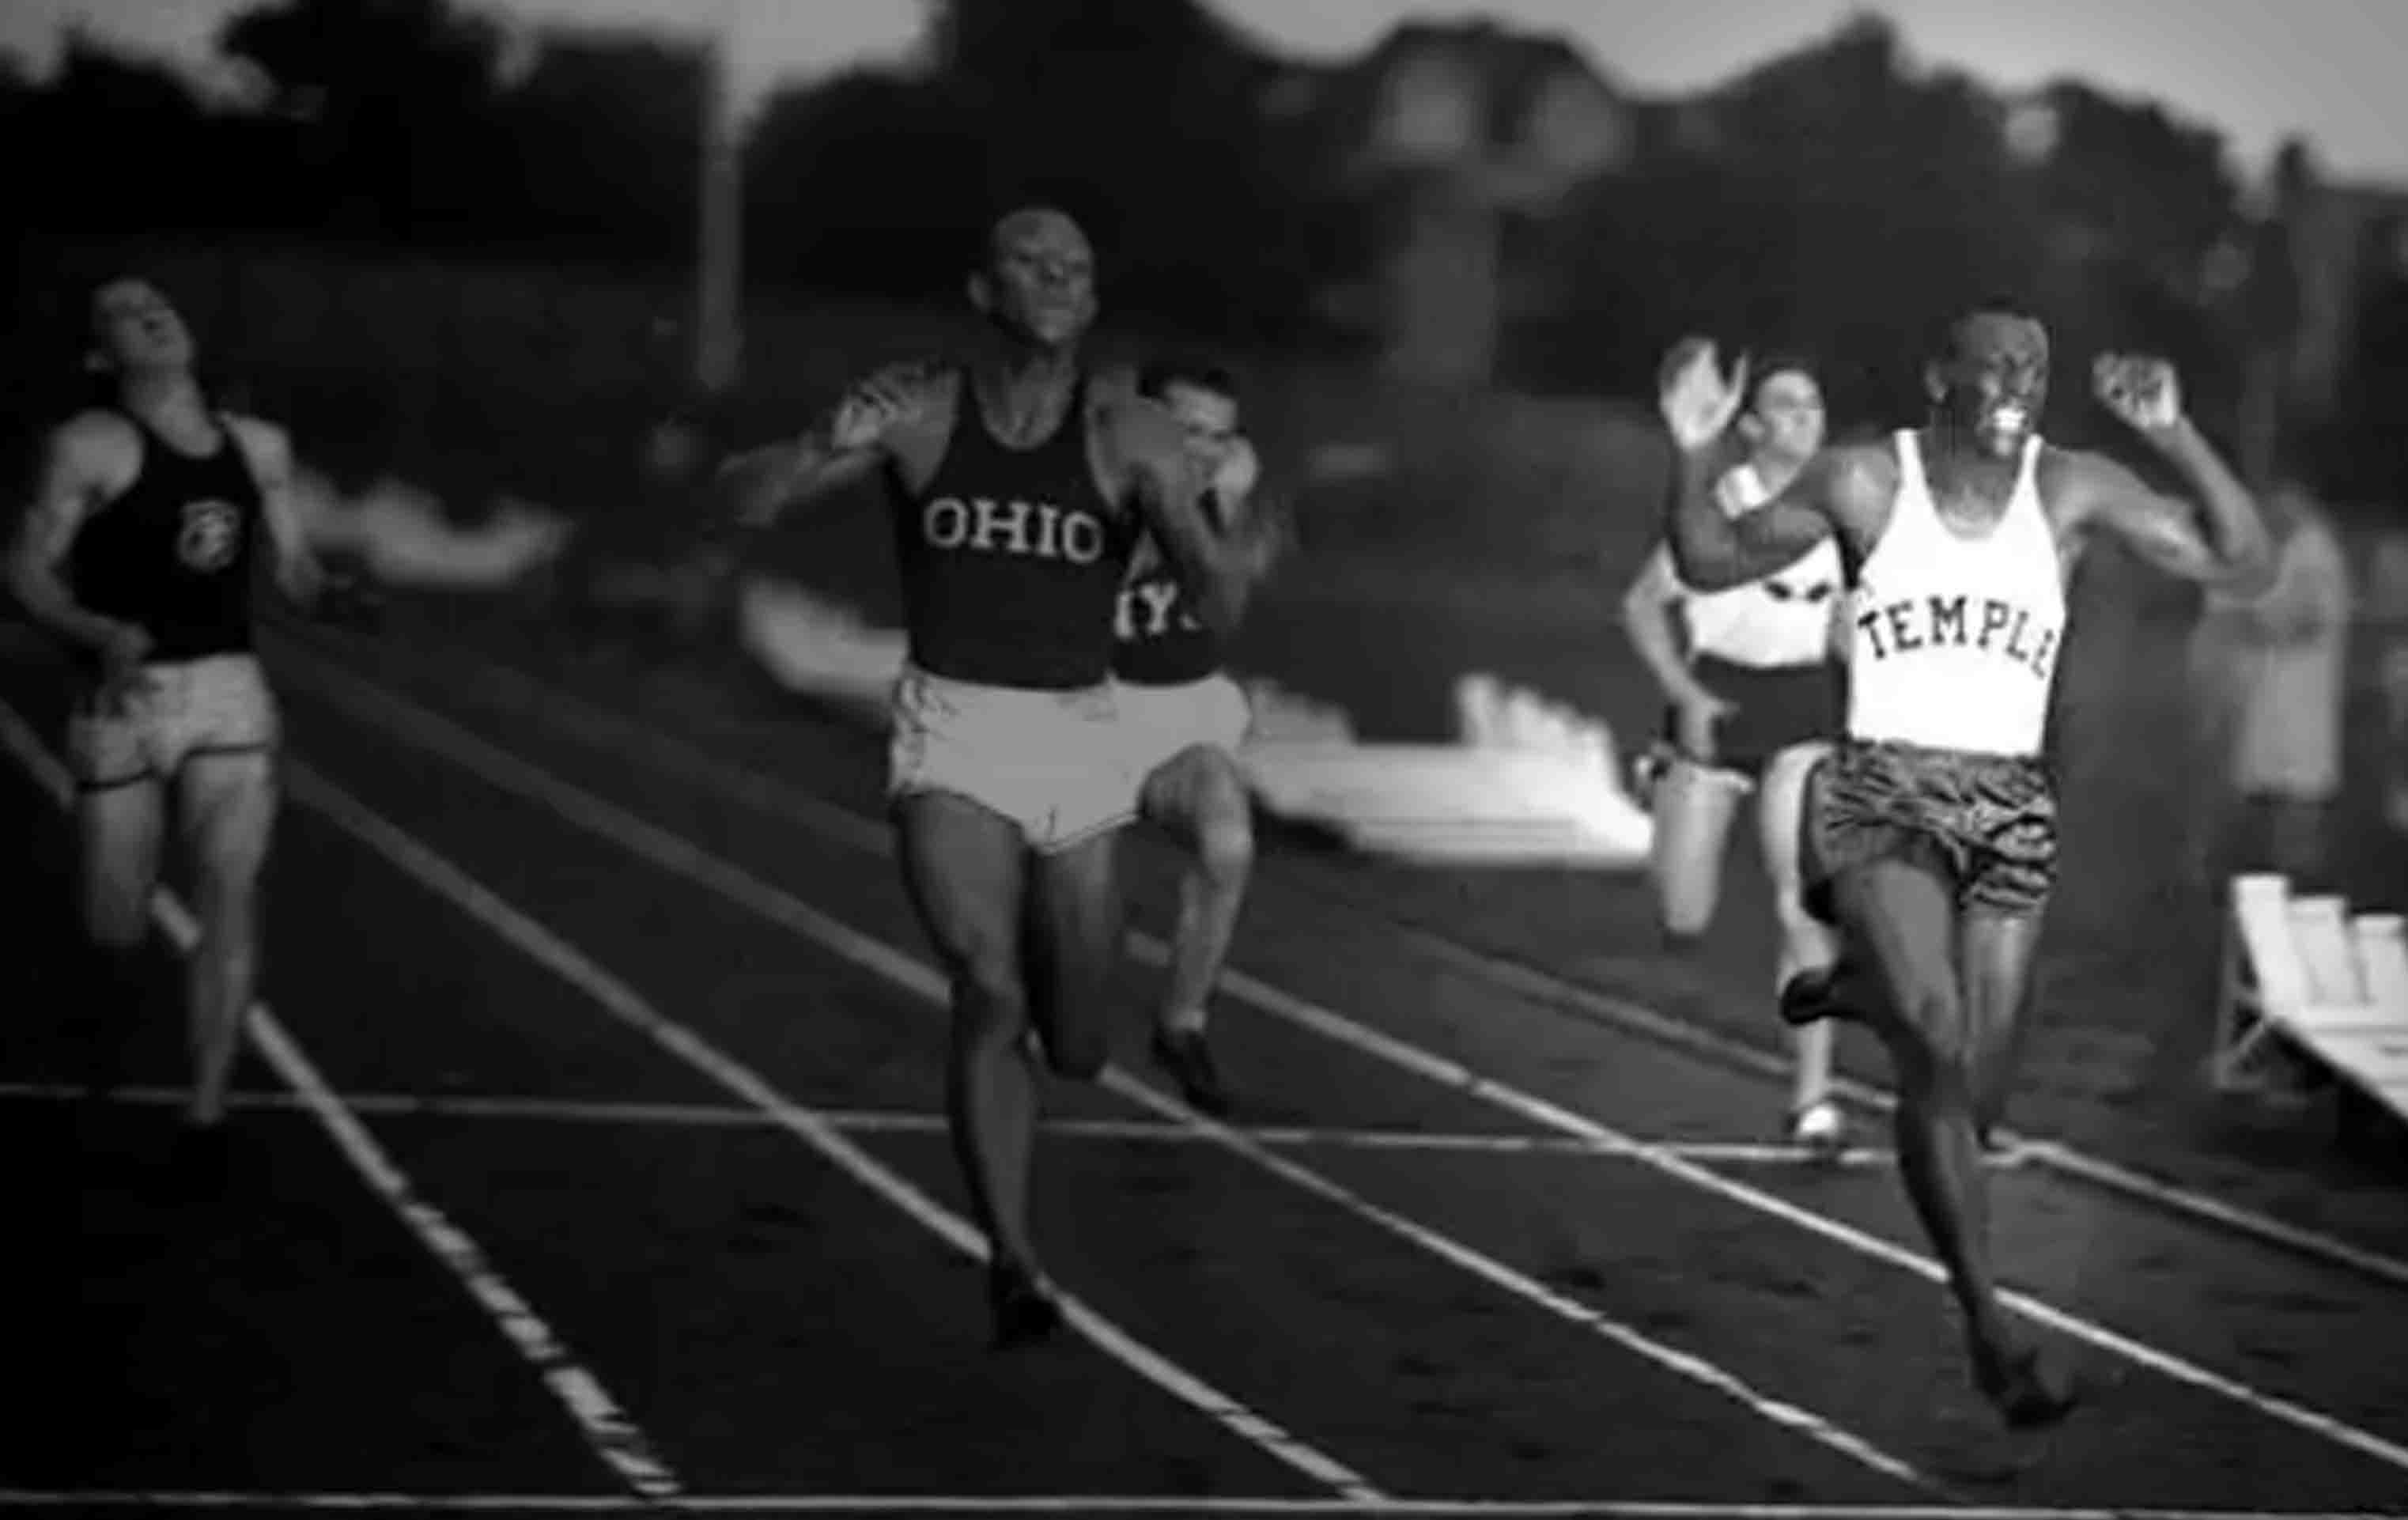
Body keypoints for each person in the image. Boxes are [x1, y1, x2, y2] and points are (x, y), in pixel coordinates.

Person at [1655, 303, 2272, 1427]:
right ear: (1935, 375)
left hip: (2007, 796)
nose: (2010, 381)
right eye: (1987, 362)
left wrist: (2177, 432)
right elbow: (1704, 559)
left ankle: (1866, 991)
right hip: (1884, 784)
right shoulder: (1863, 481)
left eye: (2031, 367)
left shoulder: (2070, 487)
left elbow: (2243, 562)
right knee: (1937, 1046)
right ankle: (1992, 1333)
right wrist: (1696, 444)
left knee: (1974, 1104)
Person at [715, 207, 1253, 1348]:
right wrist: (820, 440)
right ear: (981, 287)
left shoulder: (1134, 433)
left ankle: (1078, 1054)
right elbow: (741, 499)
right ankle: (1015, 1260)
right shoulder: (915, 411)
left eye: (1077, 264)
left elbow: (1221, 598)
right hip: (951, 732)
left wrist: (1205, 514)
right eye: (1031, 260)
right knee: (988, 987)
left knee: (1074, 1037)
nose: (1056, 276)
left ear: (1093, 302)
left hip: (1078, 734)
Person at [6, 276, 330, 1140]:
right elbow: (26, 567)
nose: (151, 314)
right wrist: (92, 627)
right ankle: (102, 1056)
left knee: (231, 896)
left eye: (159, 303)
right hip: (126, 697)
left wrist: (326, 590)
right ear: (100, 354)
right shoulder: (86, 445)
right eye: (120, 310)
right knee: (115, 919)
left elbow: (293, 568)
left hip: (229, 691)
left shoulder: (261, 446)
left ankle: (206, 1112)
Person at [1620, 354, 1847, 1157]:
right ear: (1750, 426)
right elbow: (1643, 605)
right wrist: (1684, 694)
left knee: (1805, 904)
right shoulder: (1717, 505)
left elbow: (1852, 626)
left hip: (1804, 707)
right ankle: (1663, 774)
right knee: (1683, 913)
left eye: (1814, 403)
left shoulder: (1843, 510)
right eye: (1785, 403)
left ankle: (1813, 1100)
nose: (1805, 416)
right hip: (1717, 701)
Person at [1112, 358, 1288, 1117]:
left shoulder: (1232, 502)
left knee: (1228, 844)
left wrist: (1232, 516)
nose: (1203, 450)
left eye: (1217, 436)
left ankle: (1181, 1024)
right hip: (1077, 714)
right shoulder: (1094, 491)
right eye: (1185, 431)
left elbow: (1222, 607)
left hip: (1178, 714)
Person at [2189, 478, 2352, 883]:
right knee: (2257, 843)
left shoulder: (2316, 553)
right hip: (2265, 727)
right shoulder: (2279, 551)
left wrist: (2243, 619)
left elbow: (2301, 620)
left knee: (2294, 846)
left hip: (2300, 731)